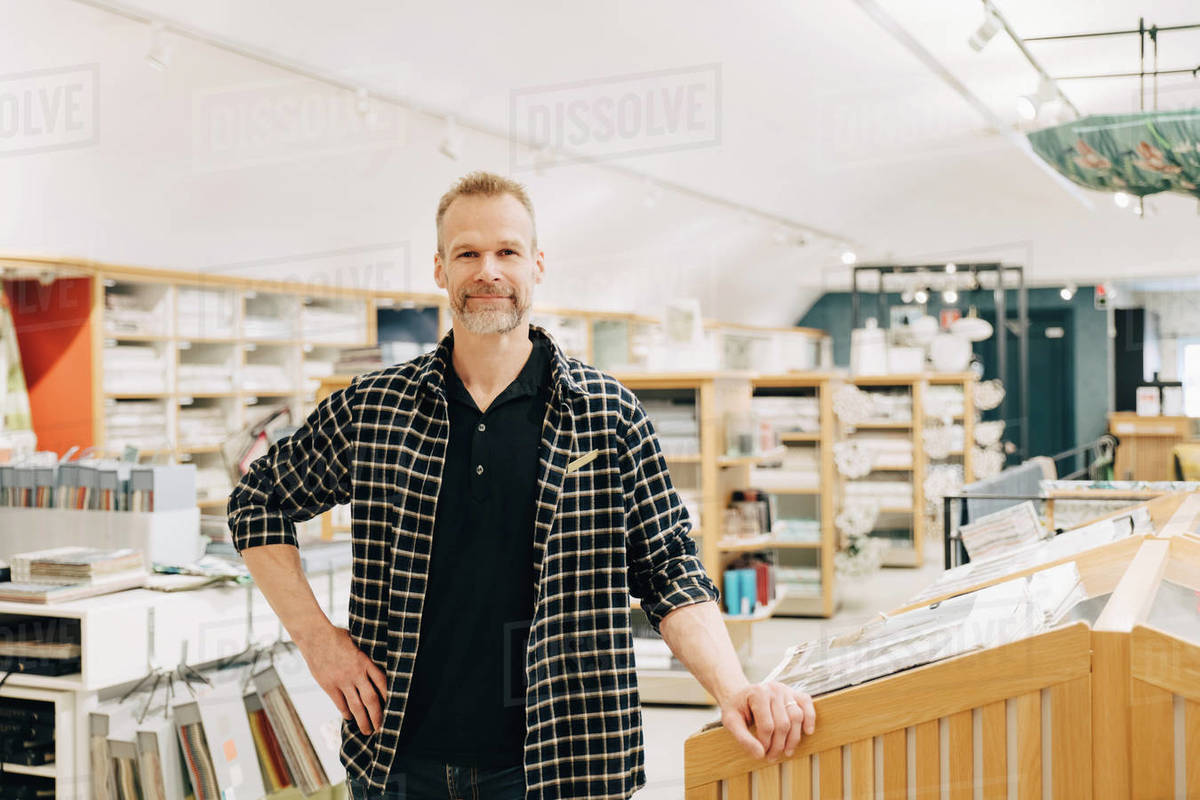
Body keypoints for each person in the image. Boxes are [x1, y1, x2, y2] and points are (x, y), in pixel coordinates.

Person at [227, 171, 815, 800]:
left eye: (507, 251)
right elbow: (256, 500)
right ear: (439, 269)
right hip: (399, 757)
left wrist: (735, 689)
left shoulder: (606, 414)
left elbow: (669, 568)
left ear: (537, 265)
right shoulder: (376, 408)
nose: (488, 271)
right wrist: (319, 643)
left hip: (565, 760)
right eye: (468, 253)